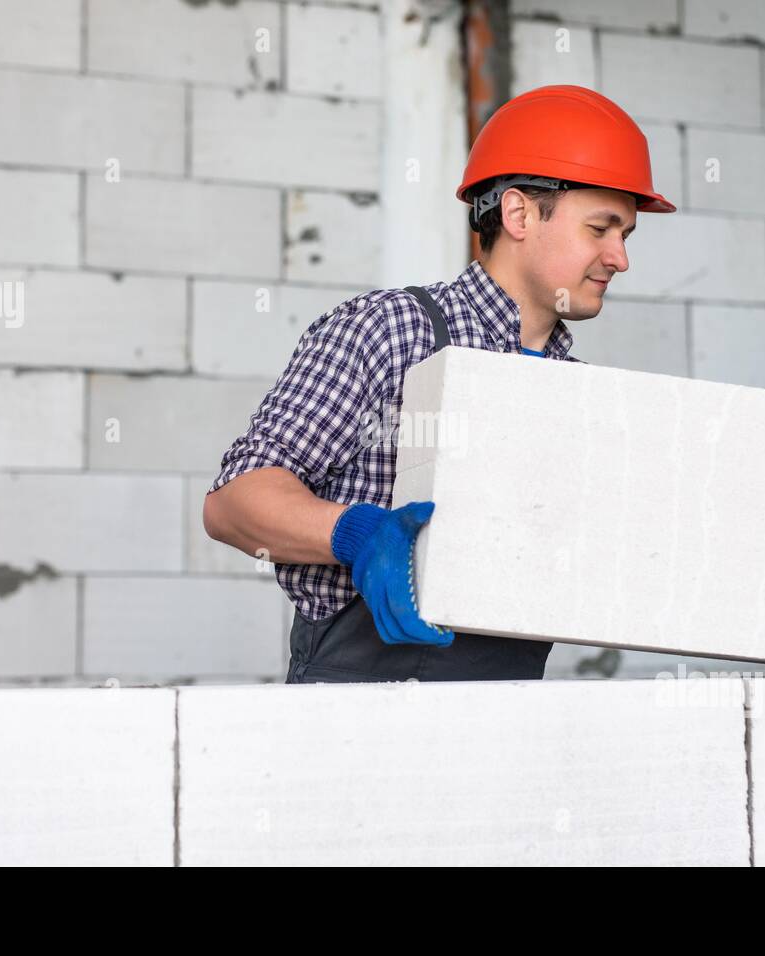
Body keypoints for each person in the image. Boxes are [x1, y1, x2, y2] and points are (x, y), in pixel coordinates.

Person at [203, 85, 676, 683]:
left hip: (500, 730)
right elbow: (230, 504)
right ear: (519, 214)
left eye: (625, 236)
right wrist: (356, 534)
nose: (620, 258)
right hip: (352, 720)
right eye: (601, 229)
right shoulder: (390, 331)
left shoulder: (574, 396)